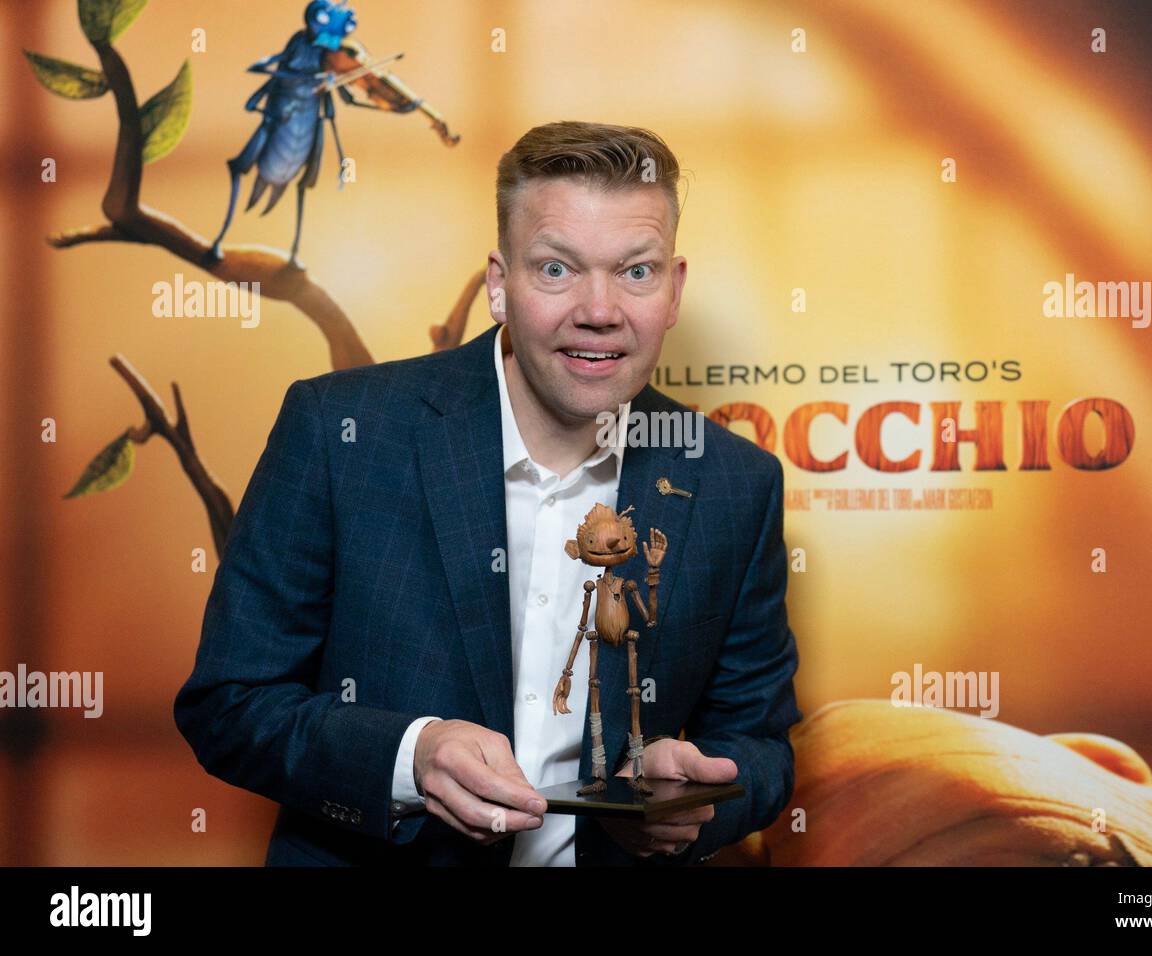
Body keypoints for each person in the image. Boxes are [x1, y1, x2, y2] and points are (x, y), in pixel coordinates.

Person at [174, 120, 802, 866]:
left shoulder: (735, 481)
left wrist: (695, 795)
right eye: (557, 270)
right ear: (500, 286)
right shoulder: (341, 430)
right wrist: (411, 757)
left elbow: (760, 746)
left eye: (635, 271)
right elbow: (230, 703)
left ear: (673, 290)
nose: (600, 310)